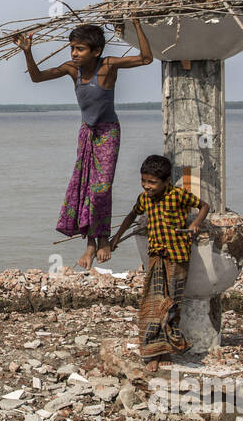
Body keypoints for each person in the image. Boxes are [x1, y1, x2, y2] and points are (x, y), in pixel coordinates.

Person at [13, 21, 153, 269]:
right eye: (72, 49)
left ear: (96, 51)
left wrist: (137, 24)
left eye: (79, 49)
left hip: (108, 132)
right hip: (86, 133)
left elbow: (145, 59)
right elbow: (36, 78)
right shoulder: (71, 69)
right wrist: (27, 50)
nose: (74, 54)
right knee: (86, 189)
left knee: (101, 189)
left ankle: (104, 240)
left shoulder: (107, 65)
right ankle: (91, 245)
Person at [109, 154, 210, 371]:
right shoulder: (144, 199)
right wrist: (115, 239)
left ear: (166, 182)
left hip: (178, 257)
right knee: (154, 304)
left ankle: (167, 351)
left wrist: (196, 225)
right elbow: (130, 216)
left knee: (172, 305)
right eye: (144, 181)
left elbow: (204, 206)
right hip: (156, 257)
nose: (147, 186)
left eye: (152, 182)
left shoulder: (178, 195)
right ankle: (153, 351)